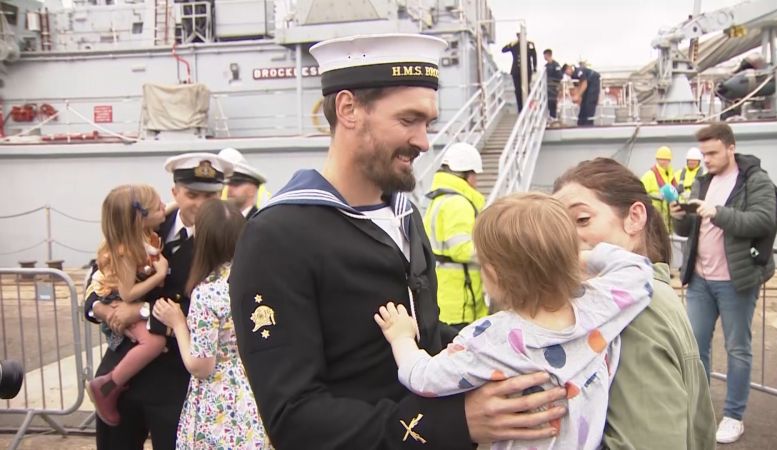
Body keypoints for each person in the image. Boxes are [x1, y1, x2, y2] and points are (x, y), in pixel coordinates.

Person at [229, 33, 566, 450]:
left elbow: (425, 333)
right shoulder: (278, 236)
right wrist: (453, 423)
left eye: (427, 123)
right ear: (348, 109)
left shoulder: (404, 215)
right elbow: (294, 417)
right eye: (408, 120)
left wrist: (514, 339)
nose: (425, 141)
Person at [376, 192, 654, 450]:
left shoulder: (493, 338)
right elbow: (638, 268)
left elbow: (424, 378)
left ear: (493, 275)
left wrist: (401, 338)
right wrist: (568, 259)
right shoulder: (600, 308)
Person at [553, 157, 716, 450]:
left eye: (582, 220)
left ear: (635, 217)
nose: (566, 239)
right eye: (558, 226)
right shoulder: (648, 292)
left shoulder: (630, 312)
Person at [84, 152, 233, 450]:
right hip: (122, 373)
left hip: (177, 378)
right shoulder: (146, 222)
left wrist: (138, 311)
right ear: (175, 192)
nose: (201, 204)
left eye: (211, 196)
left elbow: (218, 309)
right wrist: (100, 307)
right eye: (192, 194)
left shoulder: (225, 240)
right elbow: (101, 271)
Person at [671, 123, 777, 444]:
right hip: (701, 281)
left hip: (736, 282)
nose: (706, 160)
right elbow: (690, 230)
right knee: (695, 349)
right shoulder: (703, 181)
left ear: (731, 147)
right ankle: (700, 407)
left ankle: (733, 416)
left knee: (738, 349)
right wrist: (680, 216)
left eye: (713, 153)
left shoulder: (756, 181)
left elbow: (762, 220)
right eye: (703, 154)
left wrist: (717, 212)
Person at [153, 199, 270, 450]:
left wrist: (178, 324)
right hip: (257, 391)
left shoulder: (208, 292)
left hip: (220, 401)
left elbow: (201, 365)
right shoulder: (259, 283)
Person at [86, 184, 169, 426]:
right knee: (154, 341)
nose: (165, 206)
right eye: (158, 206)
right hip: (116, 302)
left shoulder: (142, 233)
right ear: (139, 219)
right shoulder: (125, 251)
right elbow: (128, 293)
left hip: (124, 298)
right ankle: (107, 387)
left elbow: (168, 208)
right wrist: (159, 275)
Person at [423, 142, 487, 330]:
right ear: (468, 175)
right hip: (460, 301)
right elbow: (462, 250)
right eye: (476, 175)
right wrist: (498, 254)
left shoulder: (440, 200)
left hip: (445, 297)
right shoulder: (458, 203)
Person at [218, 147, 268, 219]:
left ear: (252, 190)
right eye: (227, 183)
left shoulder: (260, 222)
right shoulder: (224, 222)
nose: (229, 189)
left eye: (235, 184)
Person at [640, 145, 678, 233]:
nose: (664, 162)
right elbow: (640, 193)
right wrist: (655, 196)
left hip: (669, 218)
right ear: (657, 159)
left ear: (670, 160)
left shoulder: (672, 175)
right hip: (654, 217)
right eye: (661, 159)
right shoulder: (649, 175)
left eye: (666, 159)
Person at [502, 32, 537, 113]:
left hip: (526, 70)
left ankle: (528, 107)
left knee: (526, 89)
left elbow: (534, 56)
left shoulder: (529, 44)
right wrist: (511, 44)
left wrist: (535, 67)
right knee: (517, 90)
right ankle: (520, 109)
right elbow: (503, 50)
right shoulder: (514, 44)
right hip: (516, 70)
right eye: (518, 36)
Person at [543, 49, 562, 120]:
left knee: (552, 102)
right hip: (547, 87)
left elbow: (560, 76)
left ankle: (553, 116)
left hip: (553, 87)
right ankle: (549, 117)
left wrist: (556, 84)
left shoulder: (556, 65)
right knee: (548, 102)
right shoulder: (546, 66)